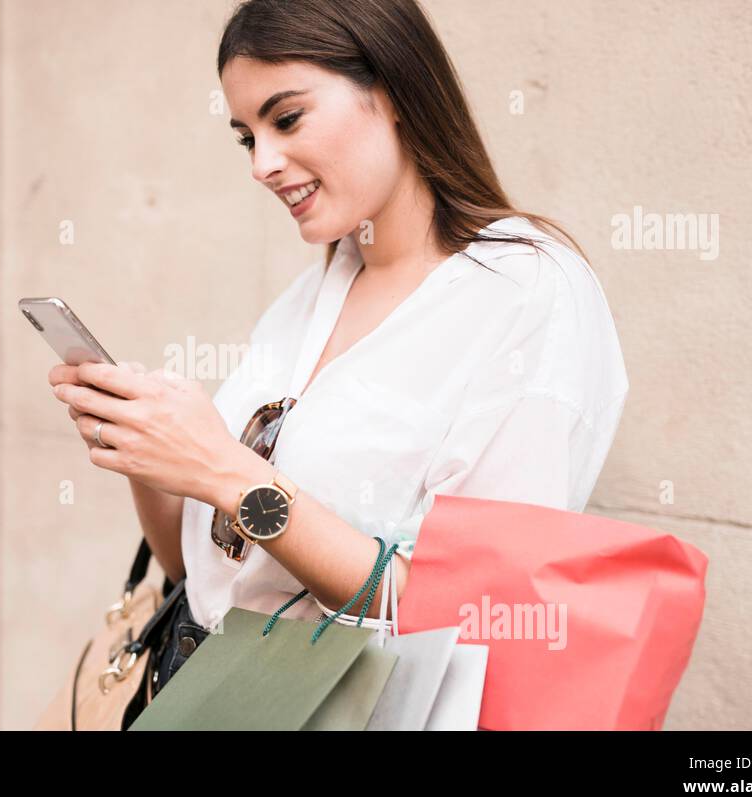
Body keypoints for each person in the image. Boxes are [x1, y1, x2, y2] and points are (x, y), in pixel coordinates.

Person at [48, 0, 628, 671]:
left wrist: (225, 469)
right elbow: (199, 574)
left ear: (394, 90)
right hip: (205, 687)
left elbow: (469, 612)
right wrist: (149, 456)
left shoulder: (526, 291)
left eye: (287, 118)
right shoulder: (314, 294)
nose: (262, 163)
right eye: (246, 136)